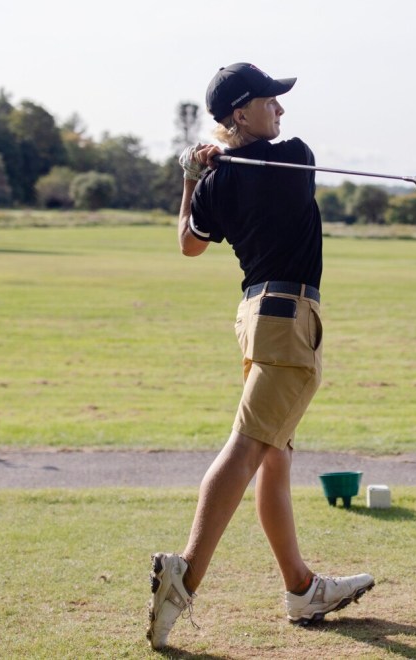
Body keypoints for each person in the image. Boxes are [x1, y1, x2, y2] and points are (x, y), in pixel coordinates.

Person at [147, 62, 374, 650]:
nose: (282, 110)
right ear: (240, 113)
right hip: (289, 320)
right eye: (271, 101)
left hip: (254, 319)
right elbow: (198, 242)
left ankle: (301, 588)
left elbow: (188, 244)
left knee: (275, 456)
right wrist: (214, 167)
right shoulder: (296, 155)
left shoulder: (219, 180)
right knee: (250, 447)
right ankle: (185, 578)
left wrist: (195, 178)